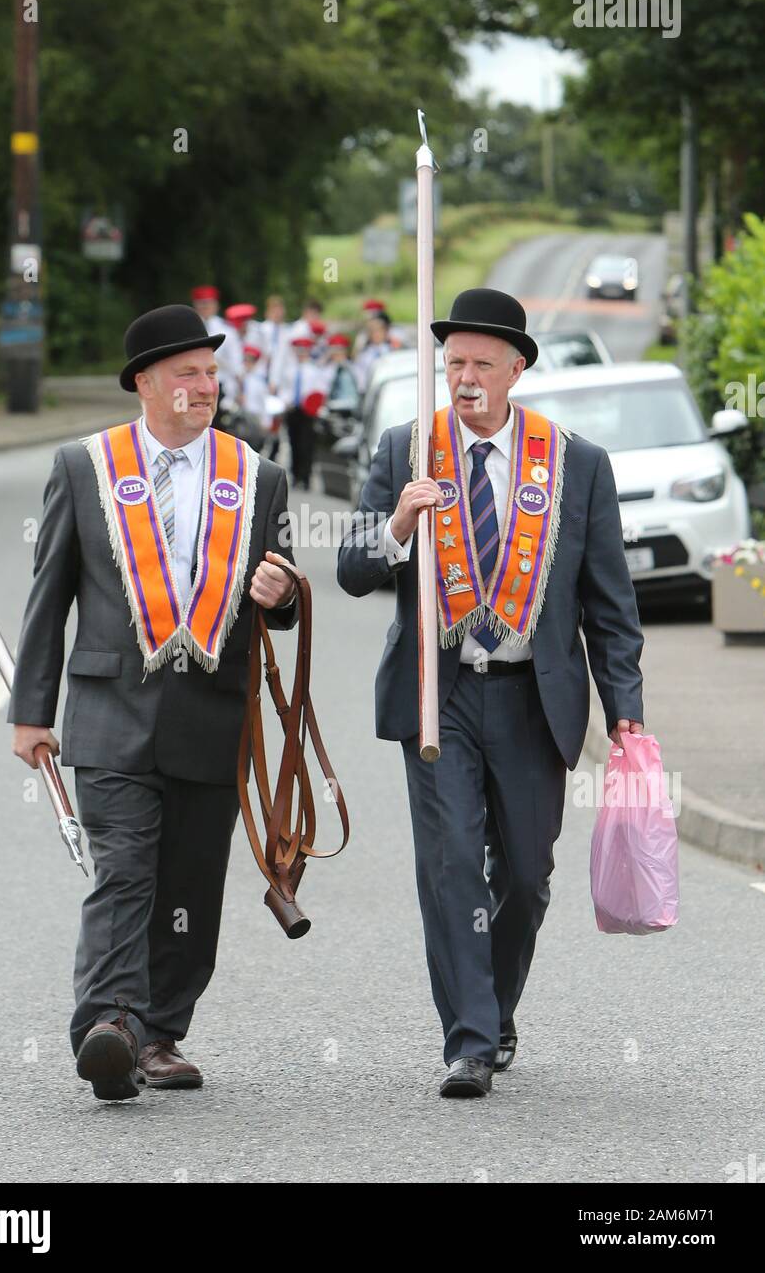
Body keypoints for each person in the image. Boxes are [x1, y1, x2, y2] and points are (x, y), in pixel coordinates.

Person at [337, 288, 645, 1099]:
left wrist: (626, 710)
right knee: (450, 868)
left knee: (528, 871)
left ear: (516, 369)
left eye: (480, 364)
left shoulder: (576, 463)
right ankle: (469, 1040)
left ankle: (496, 1007)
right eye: (453, 364)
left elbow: (610, 603)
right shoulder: (408, 450)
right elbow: (352, 570)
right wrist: (398, 524)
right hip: (436, 690)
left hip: (531, 699)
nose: (465, 378)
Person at [7, 304, 298, 1102]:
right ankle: (108, 1025)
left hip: (212, 714)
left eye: (211, 372)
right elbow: (50, 595)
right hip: (109, 712)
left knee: (191, 885)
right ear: (144, 384)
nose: (205, 387)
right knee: (124, 872)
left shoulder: (257, 474)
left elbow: (284, 586)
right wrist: (32, 711)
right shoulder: (83, 466)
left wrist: (281, 591)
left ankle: (160, 1030)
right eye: (187, 374)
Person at [279, 333, 330, 489]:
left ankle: (306, 477)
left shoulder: (314, 370)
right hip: (293, 410)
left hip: (308, 411)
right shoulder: (289, 370)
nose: (301, 354)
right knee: (293, 443)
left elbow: (321, 390)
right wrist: (285, 401)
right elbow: (285, 389)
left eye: (304, 350)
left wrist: (313, 403)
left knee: (306, 444)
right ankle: (295, 475)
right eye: (298, 350)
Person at [191, 285, 242, 416]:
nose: (205, 307)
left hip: (220, 383)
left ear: (216, 305)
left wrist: (239, 388)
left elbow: (236, 361)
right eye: (202, 304)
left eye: (208, 303)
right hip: (194, 384)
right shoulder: (188, 328)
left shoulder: (227, 329)